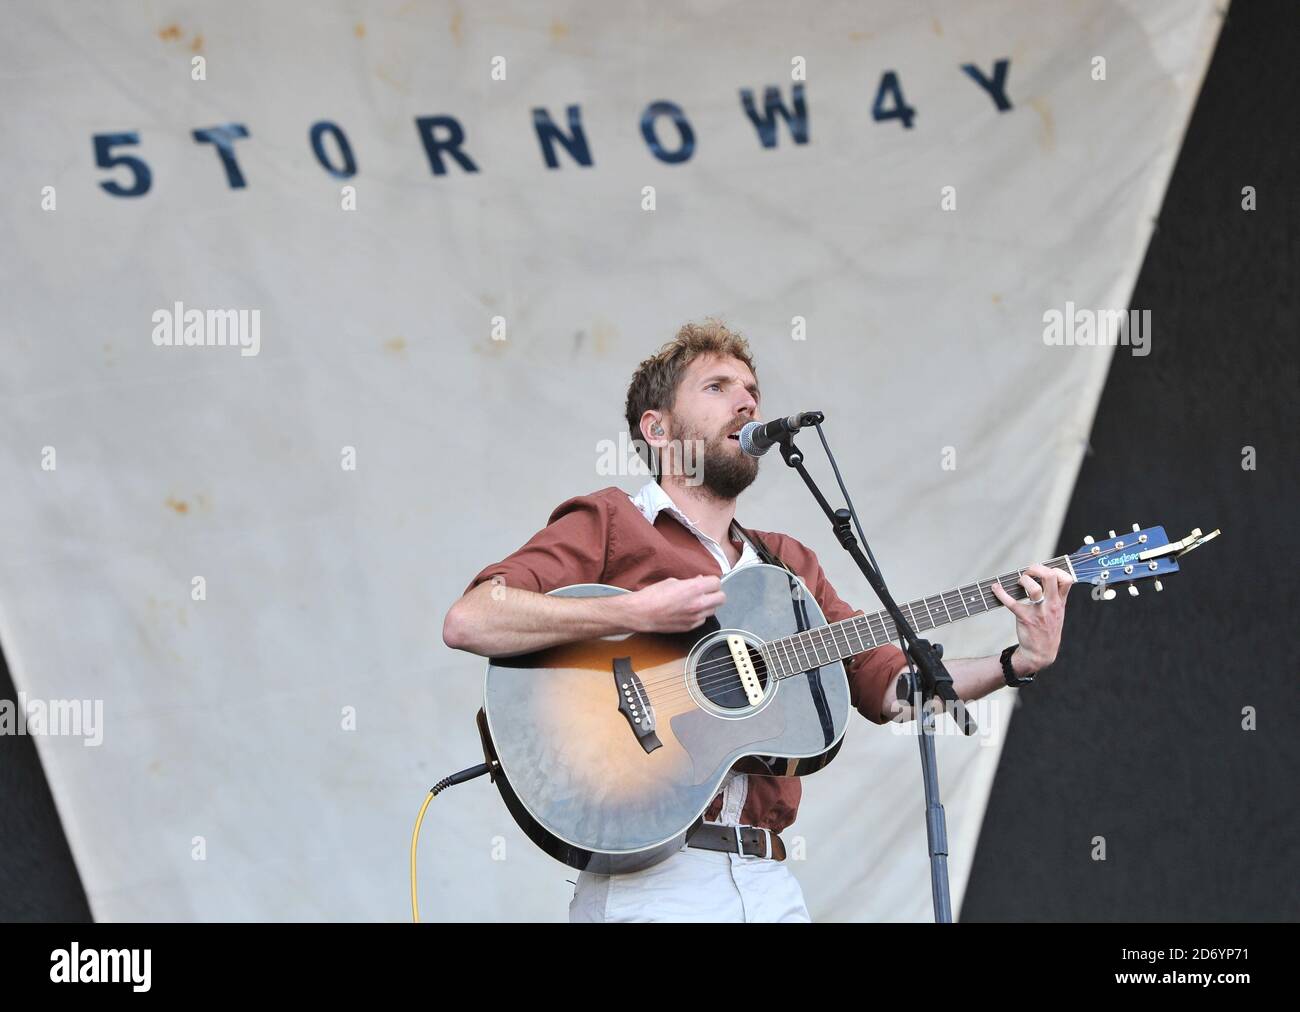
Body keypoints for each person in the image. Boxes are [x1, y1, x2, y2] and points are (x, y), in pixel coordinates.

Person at [442, 318, 1073, 922]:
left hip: (768, 882)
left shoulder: (788, 564)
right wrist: (635, 609)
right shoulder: (611, 522)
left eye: (752, 391)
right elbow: (472, 620)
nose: (746, 403)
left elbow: (886, 687)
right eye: (717, 388)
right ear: (657, 429)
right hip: (652, 883)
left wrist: (1014, 663)